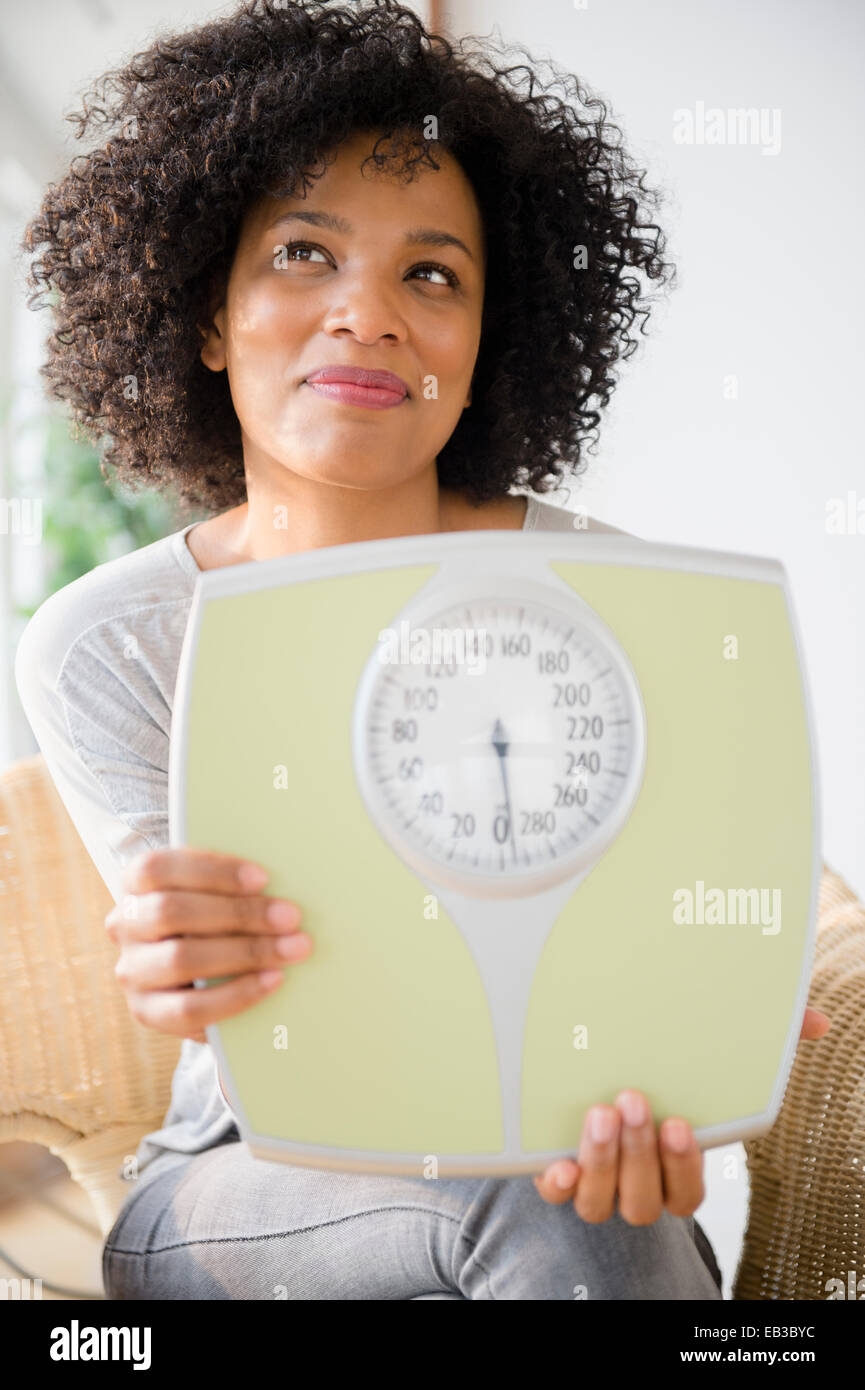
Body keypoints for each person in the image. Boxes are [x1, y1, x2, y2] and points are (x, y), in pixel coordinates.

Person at [15, 0, 828, 1300]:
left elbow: (665, 937)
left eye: (431, 273)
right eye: (299, 252)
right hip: (237, 1164)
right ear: (206, 316)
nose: (367, 313)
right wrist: (176, 954)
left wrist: (701, 1025)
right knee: (535, 1199)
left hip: (560, 1141)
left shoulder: (614, 601)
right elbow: (233, 1008)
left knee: (577, 1204)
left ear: (486, 341)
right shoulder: (105, 641)